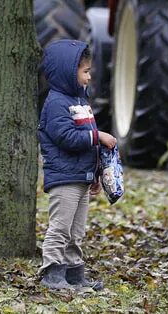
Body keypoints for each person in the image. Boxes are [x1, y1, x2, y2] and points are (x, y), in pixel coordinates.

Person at [37, 39, 117, 291]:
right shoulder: (56, 104)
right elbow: (67, 138)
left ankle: (74, 274)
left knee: (76, 231)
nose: (90, 77)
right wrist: (99, 136)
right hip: (64, 178)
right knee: (61, 227)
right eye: (85, 71)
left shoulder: (80, 101)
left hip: (80, 176)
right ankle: (52, 273)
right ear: (67, 73)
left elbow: (86, 144)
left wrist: (93, 174)